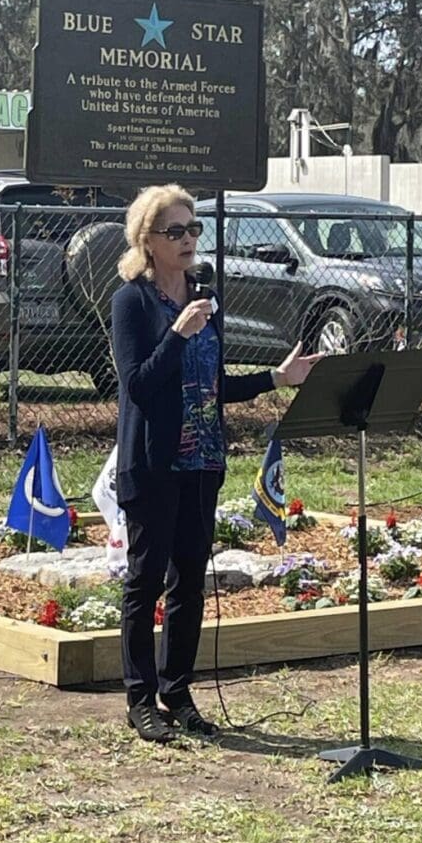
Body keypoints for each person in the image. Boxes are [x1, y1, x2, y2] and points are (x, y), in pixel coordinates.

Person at [111, 184, 322, 743]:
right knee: (145, 582)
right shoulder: (132, 301)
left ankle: (177, 693)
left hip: (203, 462)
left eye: (194, 229)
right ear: (147, 240)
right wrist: (178, 334)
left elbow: (213, 385)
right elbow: (138, 386)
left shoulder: (206, 298)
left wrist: (278, 378)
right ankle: (140, 699)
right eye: (175, 231)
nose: (188, 239)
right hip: (154, 465)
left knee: (189, 583)